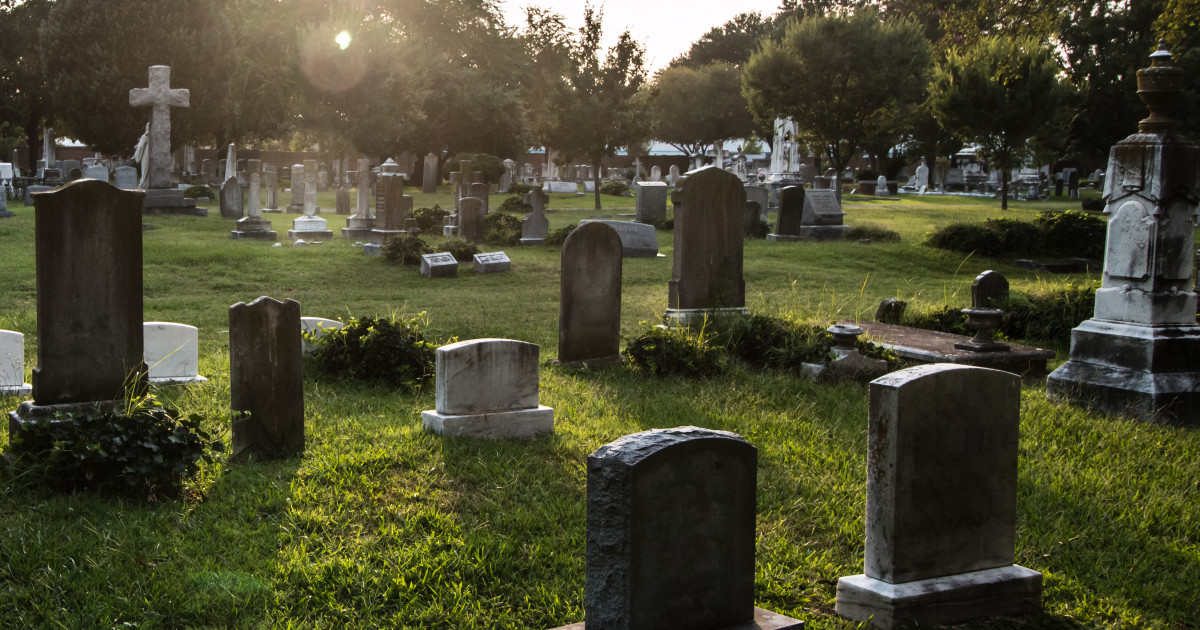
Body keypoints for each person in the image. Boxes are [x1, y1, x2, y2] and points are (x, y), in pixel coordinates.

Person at [132, 123, 150, 188]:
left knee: (145, 169)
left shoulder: (145, 136)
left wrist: (136, 156)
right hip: (152, 154)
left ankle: (143, 185)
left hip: (146, 155)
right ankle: (145, 184)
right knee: (147, 170)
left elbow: (140, 147)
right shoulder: (153, 136)